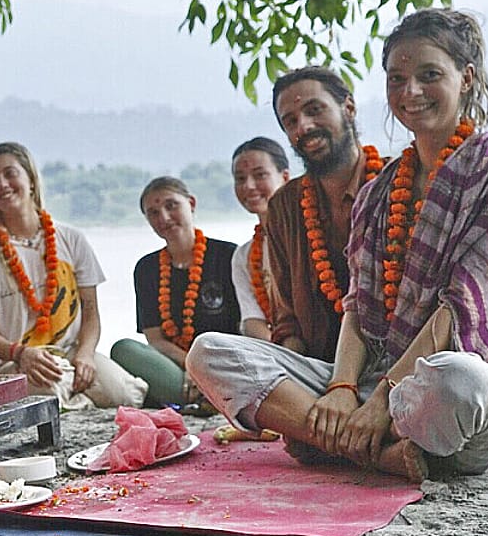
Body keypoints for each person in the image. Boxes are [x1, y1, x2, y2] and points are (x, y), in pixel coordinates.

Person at [188, 8, 488, 481]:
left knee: (457, 381)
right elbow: (357, 307)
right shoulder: (381, 191)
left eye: (429, 75)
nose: (410, 92)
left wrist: (380, 402)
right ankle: (381, 453)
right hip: (372, 380)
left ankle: (341, 437)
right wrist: (340, 387)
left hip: (458, 382)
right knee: (210, 353)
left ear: (467, 77)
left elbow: (460, 305)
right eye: (397, 79)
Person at [0, 142, 147, 410]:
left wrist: (85, 354)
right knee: (48, 396)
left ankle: (77, 396)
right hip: (18, 359)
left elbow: (90, 312)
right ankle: (74, 400)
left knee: (126, 396)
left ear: (31, 180)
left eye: (10, 174)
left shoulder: (71, 238)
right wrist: (21, 354)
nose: (2, 184)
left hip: (72, 351)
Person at [263, 65, 384, 362]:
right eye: (290, 121)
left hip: (395, 366)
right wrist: (288, 368)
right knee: (209, 352)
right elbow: (287, 320)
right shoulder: (283, 206)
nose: (303, 127)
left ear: (349, 108)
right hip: (317, 368)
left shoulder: (397, 185)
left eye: (315, 110)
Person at [110, 177, 239, 408]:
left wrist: (205, 370)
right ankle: (205, 400)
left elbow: (244, 330)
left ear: (191, 203)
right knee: (123, 349)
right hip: (179, 370)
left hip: (226, 365)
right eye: (154, 212)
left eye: (171, 206)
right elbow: (156, 339)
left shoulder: (229, 256)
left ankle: (211, 398)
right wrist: (191, 367)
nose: (164, 218)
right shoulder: (146, 268)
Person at [229, 137, 291, 341]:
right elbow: (252, 319)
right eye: (240, 178)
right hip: (277, 351)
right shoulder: (243, 256)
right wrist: (280, 354)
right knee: (207, 346)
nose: (249, 186)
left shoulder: (311, 235)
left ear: (285, 177)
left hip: (328, 346)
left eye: (260, 175)